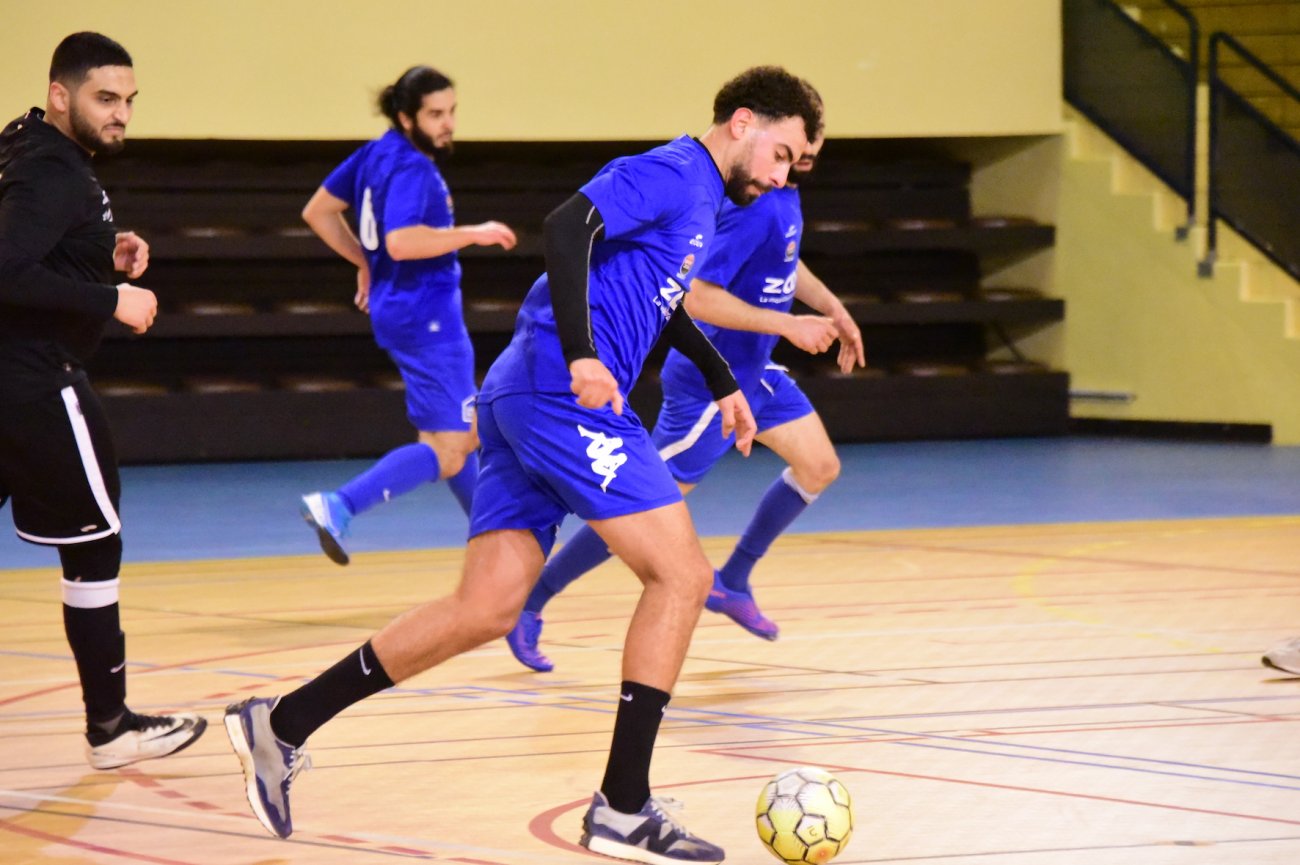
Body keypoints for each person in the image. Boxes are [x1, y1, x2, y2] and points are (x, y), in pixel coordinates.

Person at [224, 65, 822, 864]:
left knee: (487, 607)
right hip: (560, 391)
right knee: (681, 576)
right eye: (783, 155)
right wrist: (582, 355)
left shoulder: (706, 200)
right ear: (744, 123)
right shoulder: (676, 170)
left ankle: (282, 722)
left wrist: (723, 385)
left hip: (519, 390)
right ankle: (623, 806)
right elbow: (568, 224)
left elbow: (662, 301)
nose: (782, 177)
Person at [505, 130, 866, 672]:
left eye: (805, 152)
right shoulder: (740, 202)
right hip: (709, 384)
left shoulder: (783, 191)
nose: (795, 163)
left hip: (756, 371)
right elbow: (694, 296)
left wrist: (835, 310)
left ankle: (734, 579)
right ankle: (532, 599)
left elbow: (789, 263)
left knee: (819, 466)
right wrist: (789, 325)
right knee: (637, 509)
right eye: (789, 150)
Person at [0, 32, 206, 769]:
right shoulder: (53, 173)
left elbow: (29, 245)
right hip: (33, 378)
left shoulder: (24, 143)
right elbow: (5, 270)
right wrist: (110, 296)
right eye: (104, 98)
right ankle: (111, 725)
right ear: (62, 94)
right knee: (95, 542)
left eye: (128, 101)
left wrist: (100, 246)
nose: (121, 114)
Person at [298, 65, 517, 565]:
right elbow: (401, 241)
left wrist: (363, 263)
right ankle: (339, 504)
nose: (448, 124)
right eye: (435, 114)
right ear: (406, 116)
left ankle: (497, 546)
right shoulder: (414, 169)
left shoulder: (378, 152)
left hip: (404, 314)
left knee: (455, 438)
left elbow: (318, 210)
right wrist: (473, 232)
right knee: (449, 447)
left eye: (452, 111)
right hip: (428, 319)